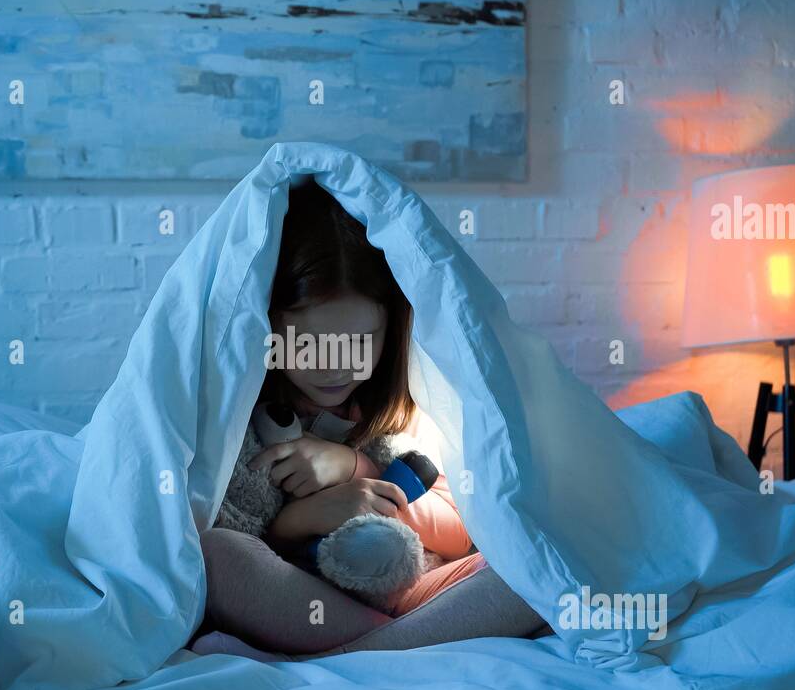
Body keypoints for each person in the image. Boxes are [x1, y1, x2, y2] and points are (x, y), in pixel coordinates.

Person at [193, 181, 551, 662]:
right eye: (308, 344)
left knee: (541, 562)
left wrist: (355, 469)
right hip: (303, 597)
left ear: (390, 331)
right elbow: (238, 530)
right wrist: (295, 521)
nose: (335, 366)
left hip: (413, 595)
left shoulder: (406, 411)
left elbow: (460, 532)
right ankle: (384, 648)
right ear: (269, 330)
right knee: (215, 556)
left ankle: (336, 657)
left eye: (359, 343)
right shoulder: (243, 420)